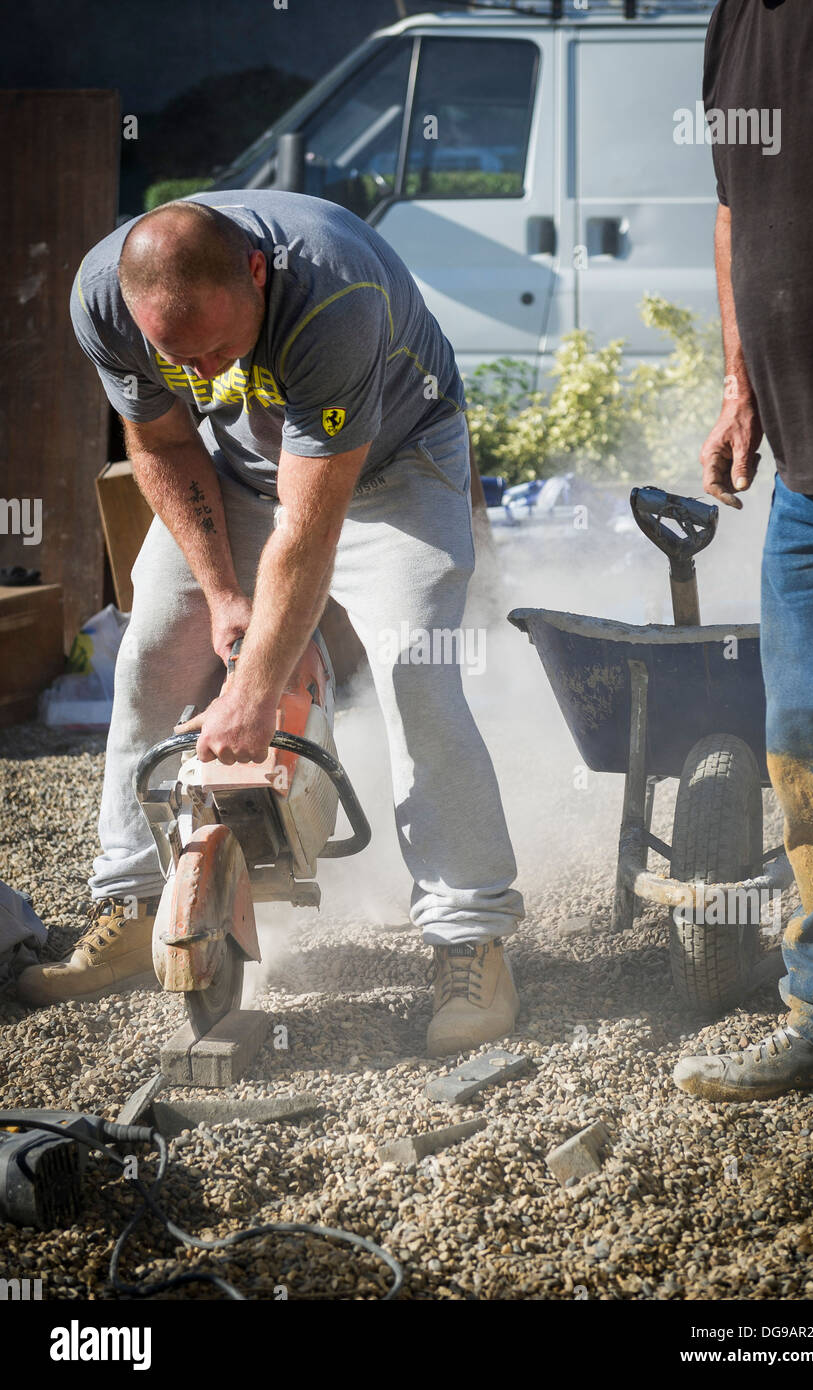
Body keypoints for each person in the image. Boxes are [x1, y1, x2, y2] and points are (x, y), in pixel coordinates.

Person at [17, 191, 524, 1057]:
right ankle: (134, 905)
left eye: (217, 346)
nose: (205, 371)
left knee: (415, 667)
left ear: (255, 273)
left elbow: (310, 528)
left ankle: (468, 937)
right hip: (239, 469)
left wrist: (251, 691)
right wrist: (221, 597)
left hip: (393, 468)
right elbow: (166, 446)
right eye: (182, 358)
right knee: (150, 652)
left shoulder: (334, 295)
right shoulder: (105, 298)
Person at [675, 0, 813, 1099]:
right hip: (811, 473)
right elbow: (735, 210)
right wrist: (740, 385)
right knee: (810, 742)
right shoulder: (735, 20)